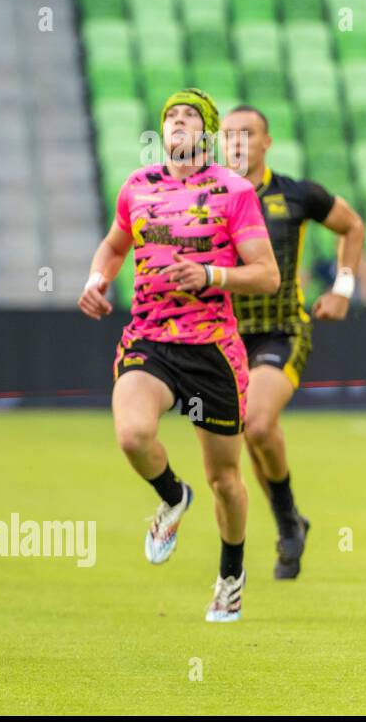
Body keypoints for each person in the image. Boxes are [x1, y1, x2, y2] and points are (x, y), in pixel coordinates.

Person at [78, 89, 280, 623]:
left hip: (212, 348)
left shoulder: (232, 191)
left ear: (206, 132)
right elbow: (115, 245)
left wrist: (210, 275)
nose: (178, 122)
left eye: (190, 116)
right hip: (149, 337)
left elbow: (267, 274)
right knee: (132, 434)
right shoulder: (138, 187)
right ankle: (171, 496)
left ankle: (231, 577)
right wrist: (98, 280)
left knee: (225, 479)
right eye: (171, 115)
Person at [221, 106, 366, 580]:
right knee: (249, 436)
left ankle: (286, 523)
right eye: (229, 135)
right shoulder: (208, 198)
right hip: (225, 338)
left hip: (283, 328)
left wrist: (343, 290)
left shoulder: (297, 194)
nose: (237, 142)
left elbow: (352, 225)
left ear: (267, 143)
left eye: (247, 133)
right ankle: (291, 522)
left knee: (258, 424)